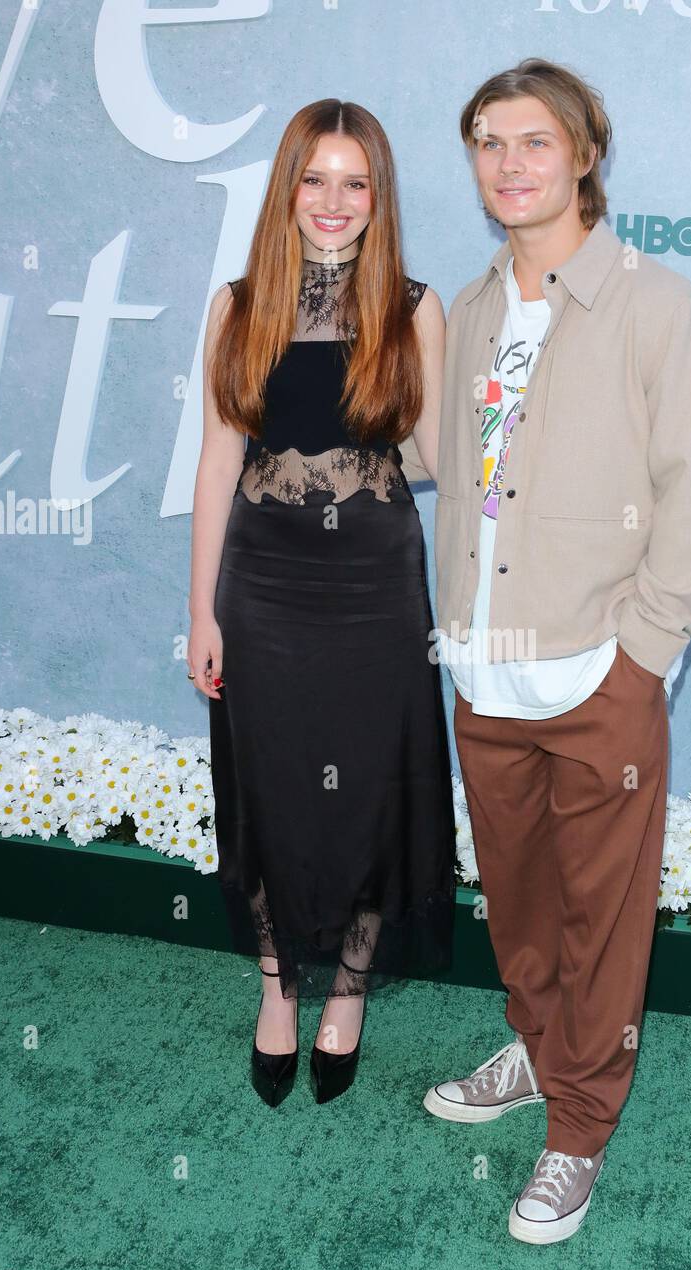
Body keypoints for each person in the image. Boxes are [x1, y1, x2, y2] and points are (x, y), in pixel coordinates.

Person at [423, 59, 691, 1243]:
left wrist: (641, 657)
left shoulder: (664, 309)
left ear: (585, 155)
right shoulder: (463, 313)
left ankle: (578, 1129)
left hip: (598, 675)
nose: (510, 164)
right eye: (488, 144)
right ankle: (536, 1042)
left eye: (533, 142)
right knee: (518, 897)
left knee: (603, 916)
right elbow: (430, 458)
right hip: (484, 665)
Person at [187, 100, 456, 1109]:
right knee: (268, 785)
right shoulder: (237, 304)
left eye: (356, 182)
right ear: (287, 189)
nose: (333, 201)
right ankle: (278, 990)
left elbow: (429, 459)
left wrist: (484, 436)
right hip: (261, 585)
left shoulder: (415, 308)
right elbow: (217, 465)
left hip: (373, 586)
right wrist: (202, 609)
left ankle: (348, 993)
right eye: (315, 179)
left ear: (378, 197)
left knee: (371, 793)